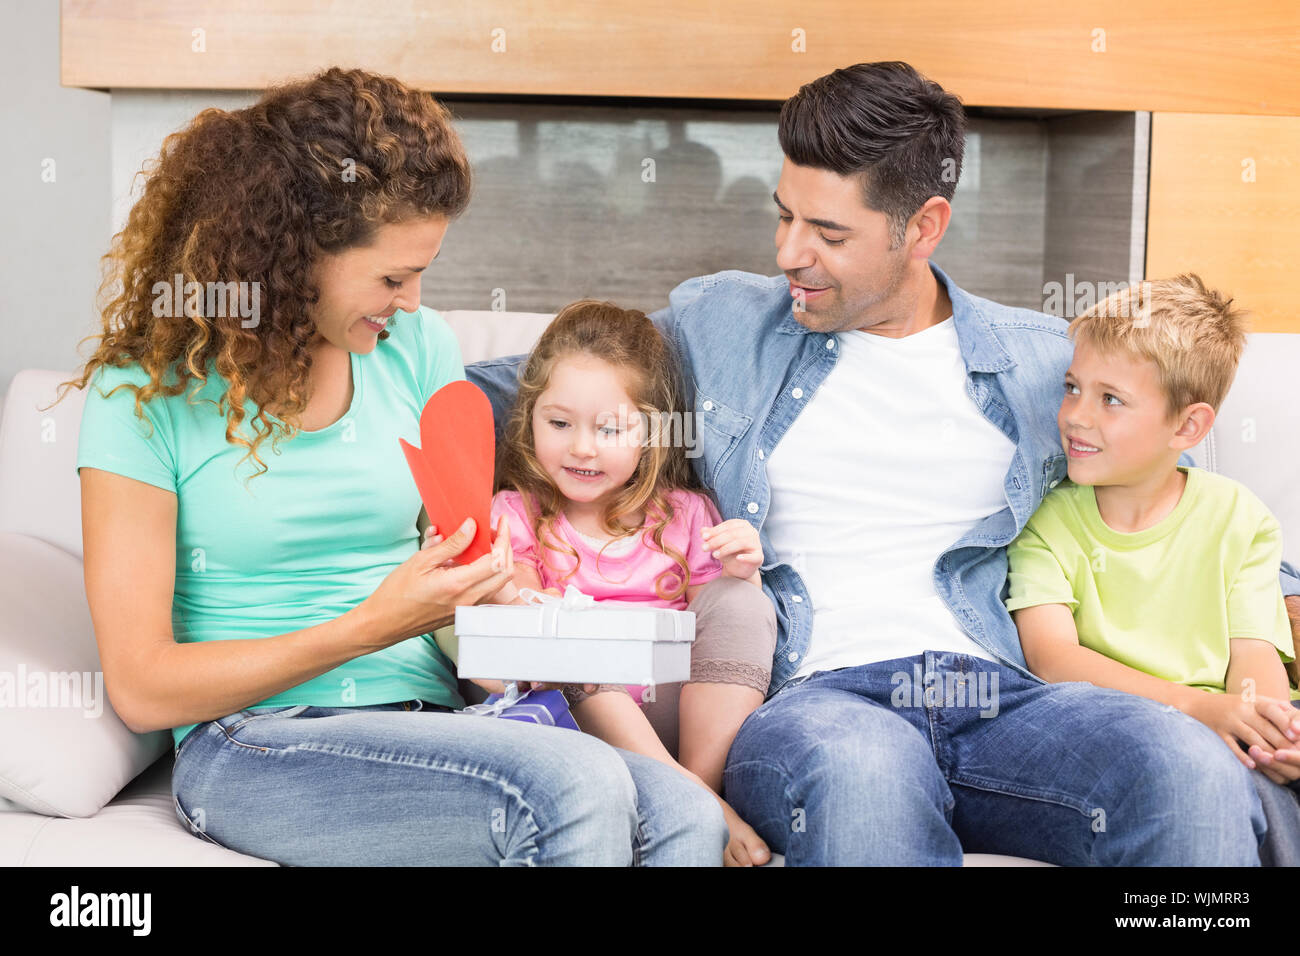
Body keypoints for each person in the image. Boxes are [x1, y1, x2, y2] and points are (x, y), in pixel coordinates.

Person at [468, 61, 1300, 864]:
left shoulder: (1048, 364)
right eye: (784, 214)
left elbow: (1194, 510)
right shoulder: (724, 324)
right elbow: (527, 390)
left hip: (997, 696)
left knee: (1187, 768)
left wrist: (1273, 648)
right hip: (818, 703)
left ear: (924, 227)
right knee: (865, 778)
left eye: (829, 232)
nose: (791, 251)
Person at [66, 67, 727, 865]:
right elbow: (141, 687)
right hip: (256, 741)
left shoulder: (416, 352)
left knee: (686, 818)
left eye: (422, 272)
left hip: (433, 719)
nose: (412, 301)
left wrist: (504, 603)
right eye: (391, 276)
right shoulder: (142, 394)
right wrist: (370, 628)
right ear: (292, 256)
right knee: (573, 786)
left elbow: (464, 566)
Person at [462, 299, 777, 866]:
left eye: (609, 428)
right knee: (558, 639)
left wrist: (742, 573)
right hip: (574, 717)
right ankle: (698, 803)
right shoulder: (515, 512)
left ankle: (689, 788)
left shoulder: (686, 513)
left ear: (652, 431)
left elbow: (716, 634)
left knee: (743, 602)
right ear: (530, 418)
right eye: (559, 423)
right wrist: (504, 585)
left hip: (677, 718)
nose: (582, 447)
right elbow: (524, 617)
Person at [1005, 275, 1300, 864]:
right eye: (1072, 388)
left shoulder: (1237, 517)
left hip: (1228, 723)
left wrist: (1269, 732)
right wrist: (1196, 710)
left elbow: (1255, 654)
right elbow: (1054, 658)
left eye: (1110, 399)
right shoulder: (1045, 521)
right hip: (1127, 729)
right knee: (1212, 784)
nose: (1076, 416)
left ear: (1187, 428)